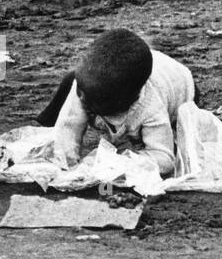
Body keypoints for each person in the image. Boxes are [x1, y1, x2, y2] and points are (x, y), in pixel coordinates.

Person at [36, 29, 196, 176]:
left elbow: (164, 159)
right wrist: (65, 161)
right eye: (81, 93)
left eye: (90, 103)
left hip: (180, 82)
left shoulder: (151, 107)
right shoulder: (86, 87)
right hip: (117, 79)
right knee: (70, 80)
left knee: (189, 141)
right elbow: (68, 128)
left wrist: (122, 163)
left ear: (124, 104)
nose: (81, 98)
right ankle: (45, 121)